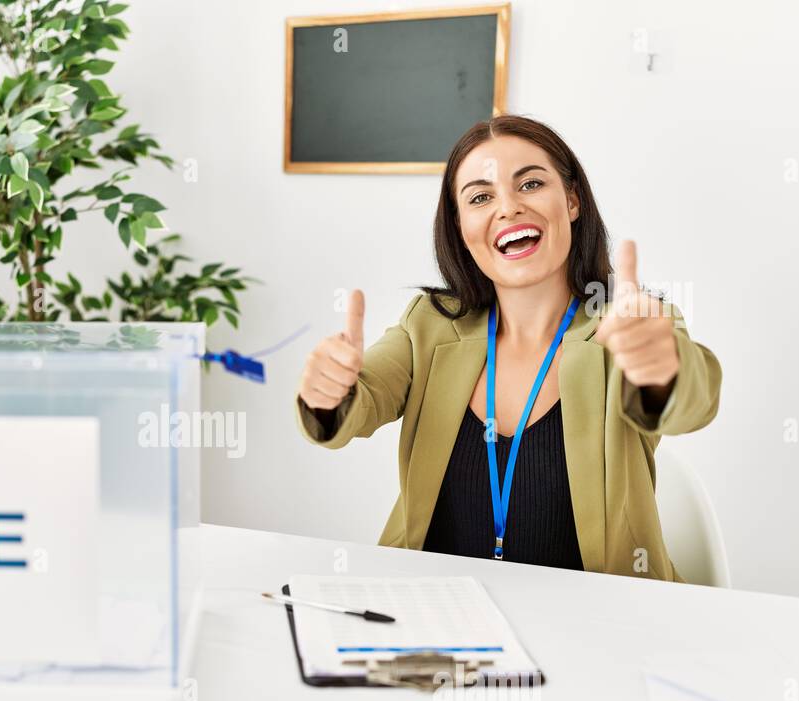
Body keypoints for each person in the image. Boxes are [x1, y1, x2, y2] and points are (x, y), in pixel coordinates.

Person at [295, 115, 721, 581]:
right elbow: (361, 397)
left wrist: (663, 371)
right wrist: (327, 393)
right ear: (461, 226)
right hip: (440, 617)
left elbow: (690, 404)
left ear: (572, 200)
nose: (508, 208)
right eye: (481, 196)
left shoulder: (630, 323)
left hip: (597, 628)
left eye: (531, 184)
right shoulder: (430, 324)